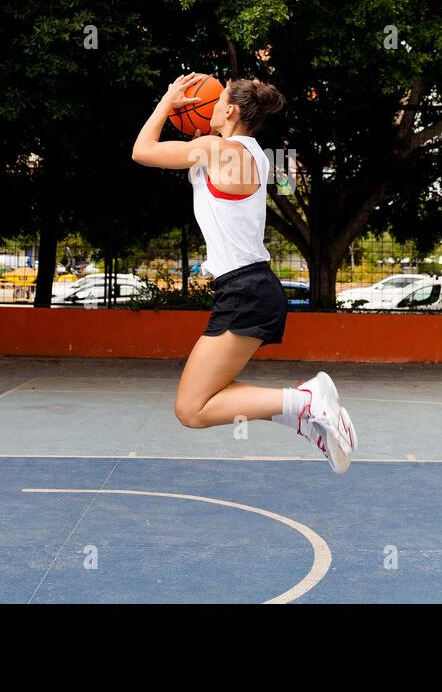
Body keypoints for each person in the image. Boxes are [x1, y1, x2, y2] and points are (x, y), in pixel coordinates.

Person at [132, 74, 358, 472]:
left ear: (230, 111)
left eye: (217, 101)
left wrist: (168, 101)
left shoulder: (212, 149)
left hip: (245, 291)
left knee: (191, 408)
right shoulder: (255, 153)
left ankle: (306, 402)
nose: (213, 107)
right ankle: (302, 415)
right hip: (252, 289)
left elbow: (142, 150)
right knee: (204, 399)